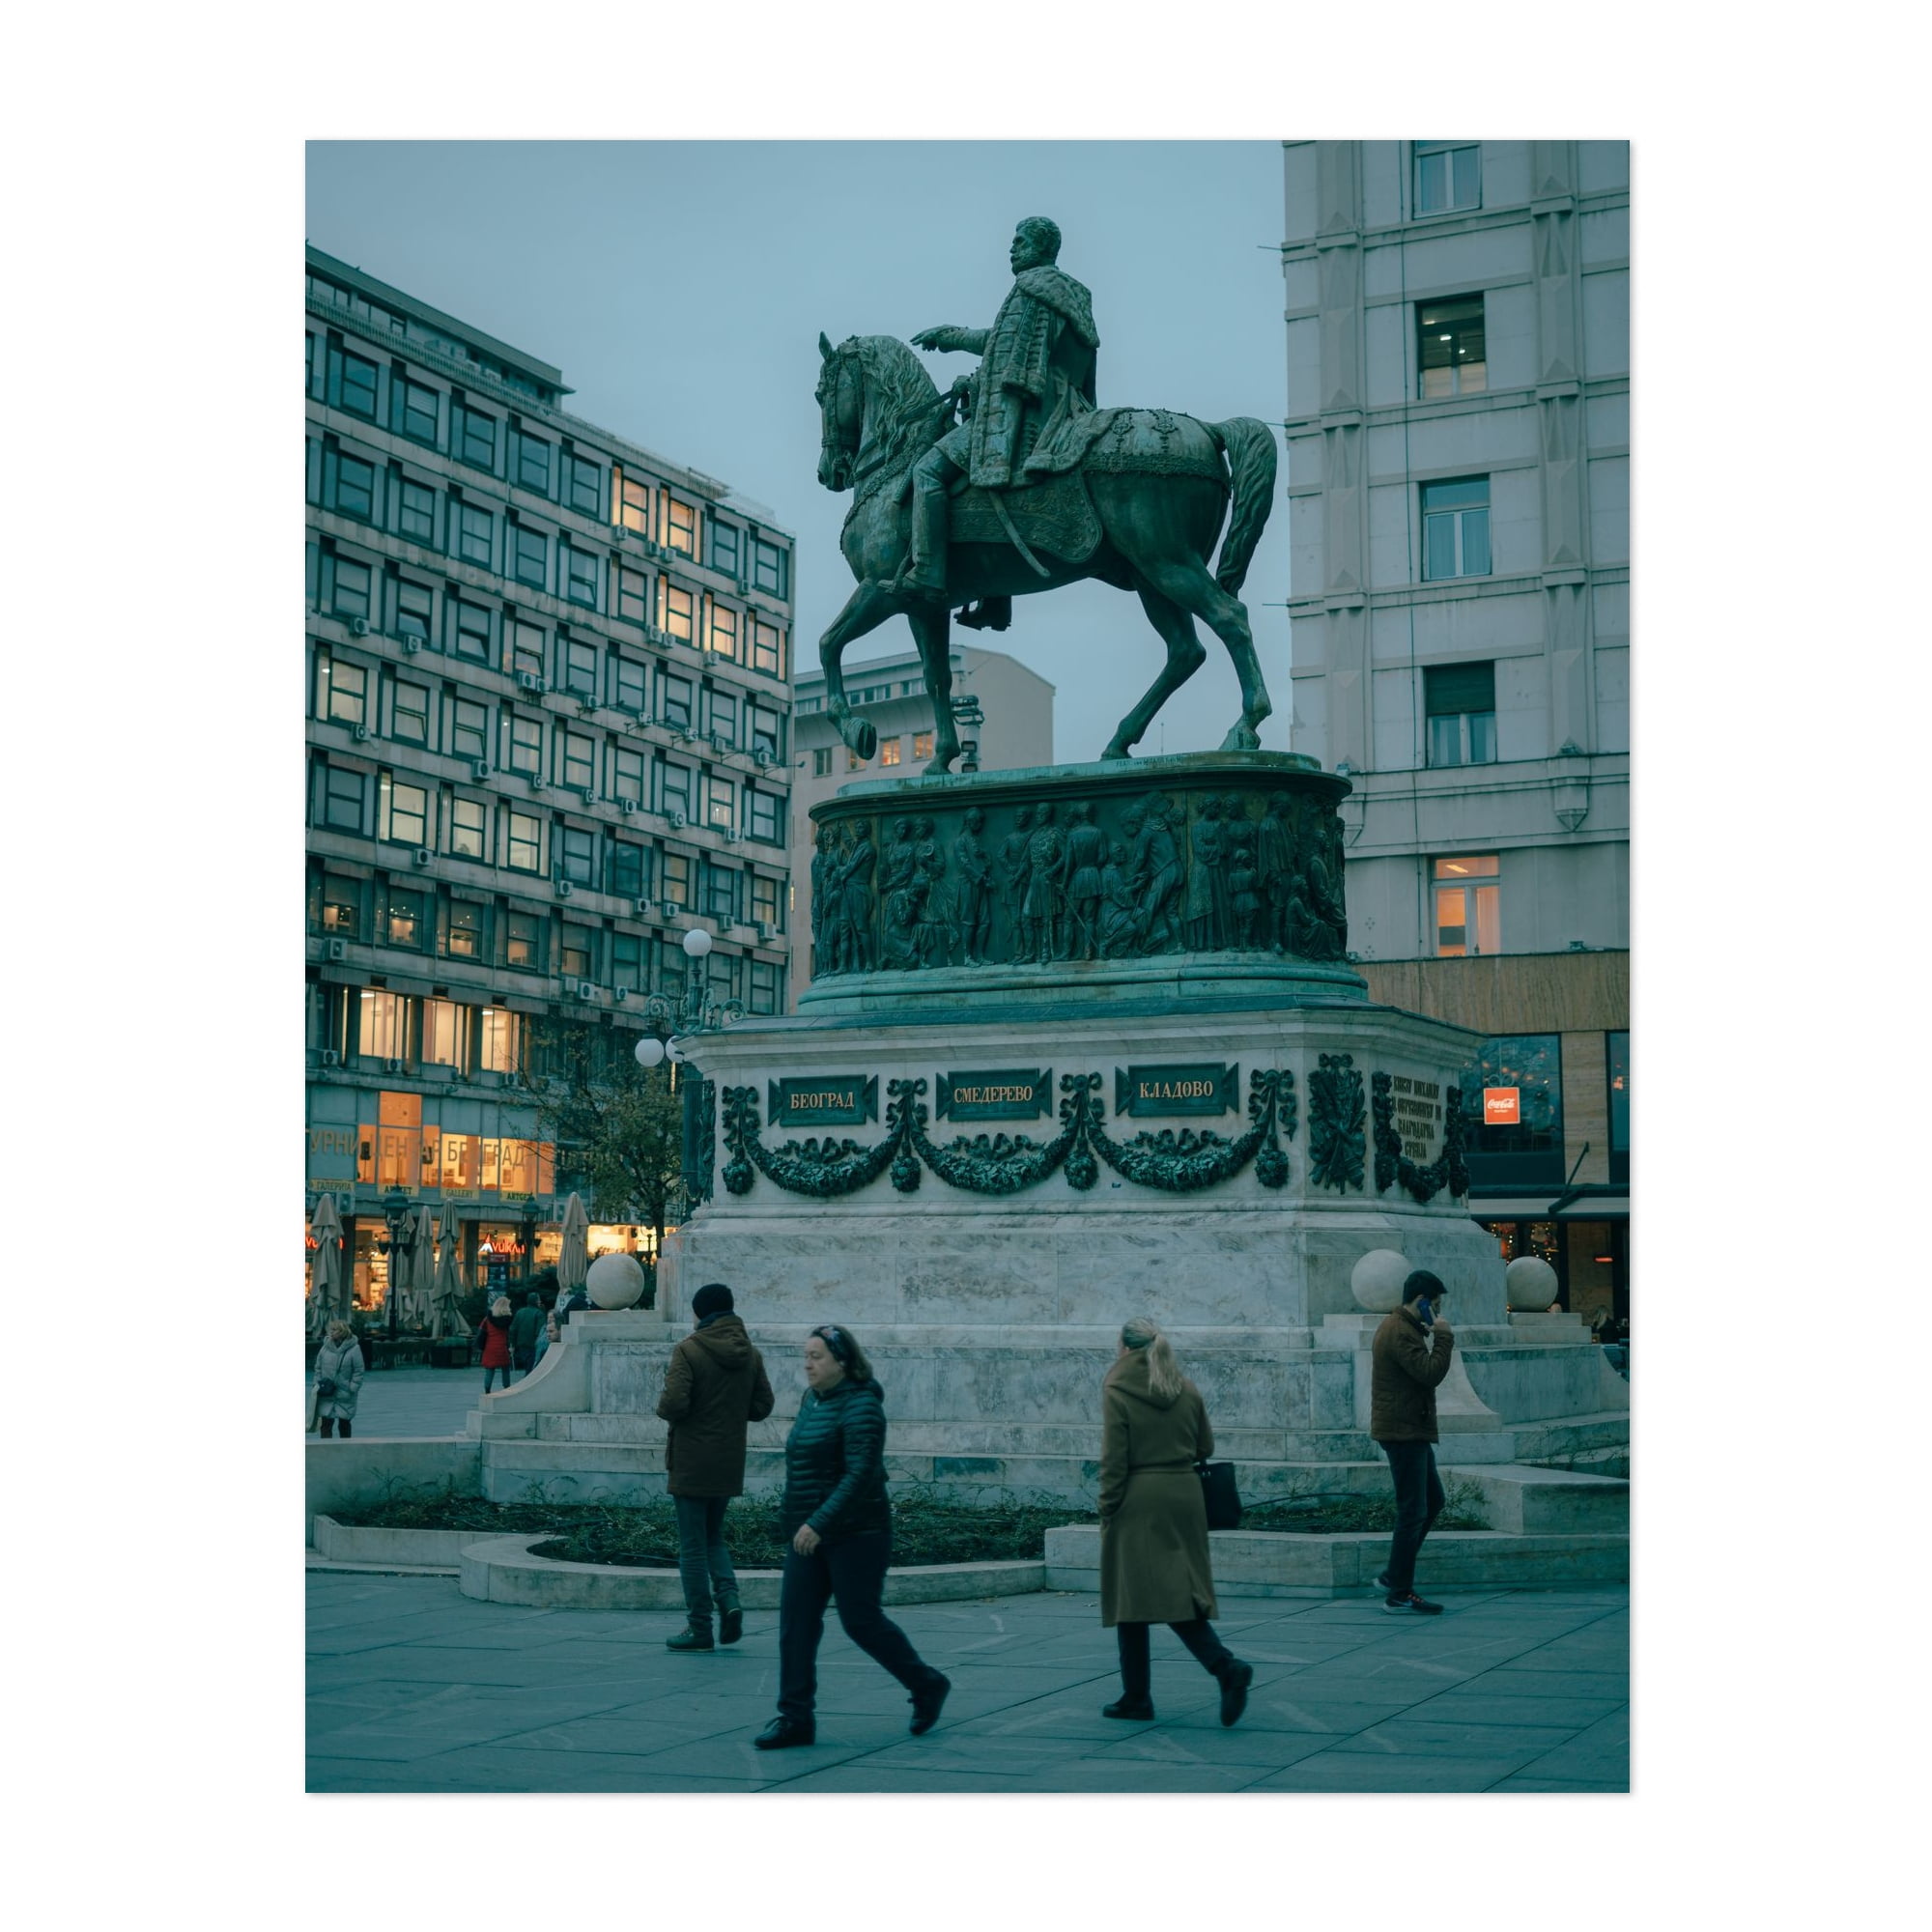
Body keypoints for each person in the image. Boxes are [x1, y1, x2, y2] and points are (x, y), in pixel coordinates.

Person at [753, 1325, 951, 1749]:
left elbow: (859, 1474)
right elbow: (803, 1469)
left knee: (861, 1622)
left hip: (858, 1533)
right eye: (805, 1355)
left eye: (817, 1356)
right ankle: (795, 1718)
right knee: (796, 1626)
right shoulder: (812, 1401)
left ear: (842, 1362)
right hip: (808, 1535)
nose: (807, 1364)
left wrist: (818, 1522)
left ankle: (927, 1683)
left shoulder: (862, 1406)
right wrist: (794, 1523)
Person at [901, 215, 1100, 599]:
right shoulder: (1068, 295)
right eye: (1013, 241)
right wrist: (951, 336)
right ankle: (994, 600)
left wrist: (970, 373)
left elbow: (1010, 360)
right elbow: (1007, 346)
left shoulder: (1033, 288)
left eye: (1021, 241)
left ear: (1042, 248)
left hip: (1030, 410)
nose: (1012, 248)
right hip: (1068, 404)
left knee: (927, 471)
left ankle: (926, 569)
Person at [1096, 1317, 1253, 1725]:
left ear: (1124, 1347)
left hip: (1140, 1497)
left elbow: (1115, 1458)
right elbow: (1206, 1444)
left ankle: (1221, 1669)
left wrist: (1106, 1505)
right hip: (1185, 1493)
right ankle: (1139, 1695)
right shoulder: (1184, 1386)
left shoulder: (1118, 1390)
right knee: (1174, 1591)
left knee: (1137, 1597)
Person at [655, 1283, 777, 1653]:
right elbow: (762, 1407)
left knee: (692, 1546)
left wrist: (664, 1405)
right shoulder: (750, 1354)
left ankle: (700, 1627)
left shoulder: (689, 1350)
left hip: (692, 1460)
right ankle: (729, 1598)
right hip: (728, 1460)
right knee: (714, 1537)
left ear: (699, 1313)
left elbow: (674, 1403)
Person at [1370, 1269, 1458, 1615]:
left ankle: (1395, 1576)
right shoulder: (1399, 1332)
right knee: (1413, 1510)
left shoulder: (1404, 1327)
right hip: (1402, 1431)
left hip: (1410, 1428)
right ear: (1421, 1302)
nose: (1437, 1313)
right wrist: (1444, 1338)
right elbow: (1430, 1373)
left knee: (1432, 1501)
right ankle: (1399, 1593)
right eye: (1434, 1306)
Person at [312, 1319, 366, 1439]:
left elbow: (359, 1370)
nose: (331, 1332)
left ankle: (346, 1449)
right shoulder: (325, 1347)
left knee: (344, 1423)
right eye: (331, 1329)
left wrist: (353, 1387)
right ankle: (326, 1451)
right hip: (327, 1391)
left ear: (342, 1331)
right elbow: (318, 1367)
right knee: (326, 1424)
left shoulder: (354, 1349)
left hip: (345, 1392)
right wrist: (317, 1384)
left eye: (334, 1329)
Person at [476, 1295, 515, 1392]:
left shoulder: (487, 1319)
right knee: (505, 1368)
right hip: (502, 1347)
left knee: (490, 1369)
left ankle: (487, 1390)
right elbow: (511, 1333)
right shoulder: (508, 1319)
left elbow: (481, 1332)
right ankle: (506, 1388)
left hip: (490, 1347)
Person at [507, 1291, 544, 1376]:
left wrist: (512, 1343)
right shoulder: (539, 1313)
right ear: (535, 1301)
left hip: (521, 1344)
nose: (540, 1301)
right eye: (538, 1300)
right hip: (533, 1345)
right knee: (531, 1369)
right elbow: (540, 1331)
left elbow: (513, 1329)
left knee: (527, 1365)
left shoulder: (520, 1312)